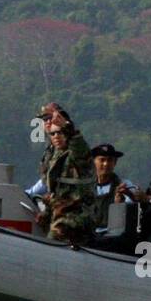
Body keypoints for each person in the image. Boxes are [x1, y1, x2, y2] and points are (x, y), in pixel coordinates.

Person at [35, 102, 96, 245]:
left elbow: (79, 146)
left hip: (75, 217)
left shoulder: (76, 150)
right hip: (58, 213)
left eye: (60, 132)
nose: (56, 136)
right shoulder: (51, 154)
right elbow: (55, 191)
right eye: (52, 133)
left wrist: (68, 127)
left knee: (53, 247)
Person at [89, 143, 125, 232]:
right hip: (86, 236)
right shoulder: (83, 186)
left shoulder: (123, 186)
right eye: (102, 160)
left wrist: (118, 203)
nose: (106, 164)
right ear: (93, 162)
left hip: (111, 236)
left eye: (110, 160)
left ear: (115, 163)